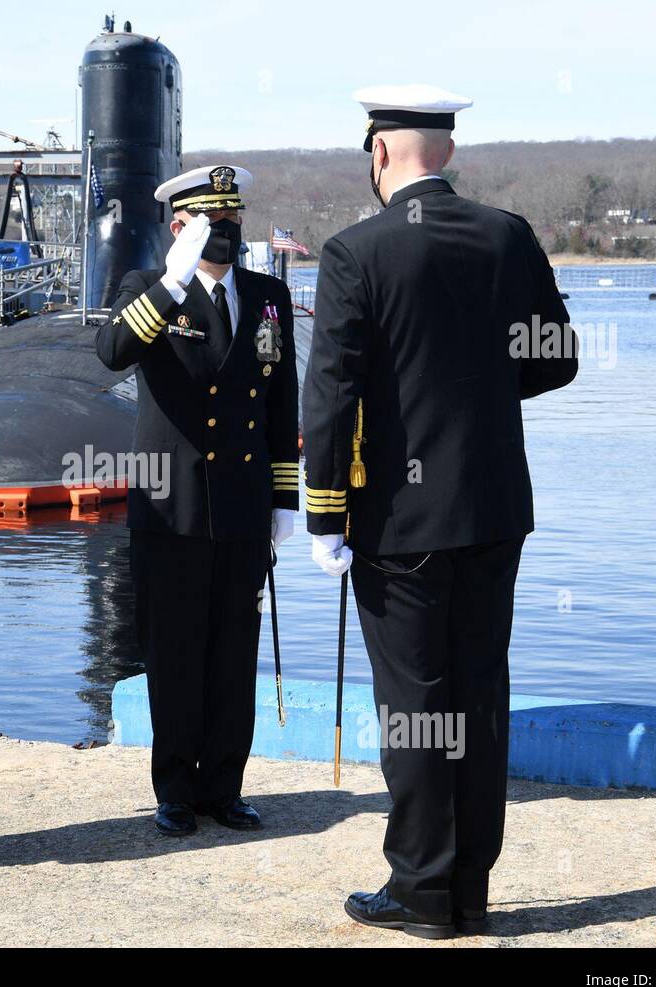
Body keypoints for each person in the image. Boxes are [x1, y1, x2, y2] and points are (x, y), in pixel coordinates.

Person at [302, 86, 578, 938]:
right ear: (446, 153)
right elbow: (556, 359)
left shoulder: (355, 252)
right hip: (495, 507)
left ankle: (422, 891)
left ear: (379, 154)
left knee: (419, 704)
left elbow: (331, 398)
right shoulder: (509, 235)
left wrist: (321, 517)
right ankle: (468, 889)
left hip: (400, 519)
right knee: (479, 697)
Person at [96, 164, 299, 836]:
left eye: (235, 219)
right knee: (176, 650)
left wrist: (284, 501)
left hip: (241, 508)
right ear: (179, 227)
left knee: (233, 650)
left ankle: (224, 786)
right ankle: (175, 789)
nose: (230, 231)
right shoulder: (147, 291)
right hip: (171, 505)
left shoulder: (268, 296)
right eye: (215, 221)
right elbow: (112, 350)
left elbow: (280, 404)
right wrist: (172, 280)